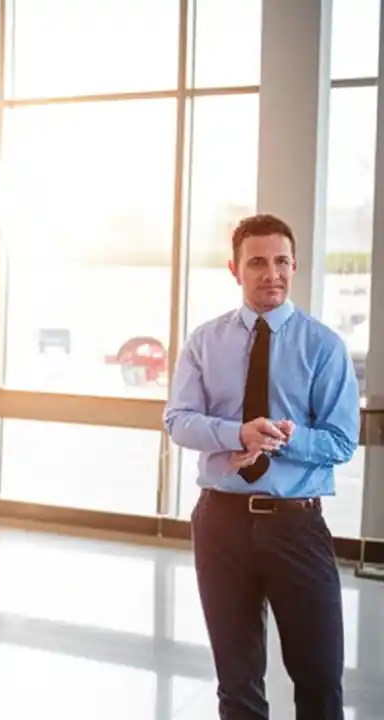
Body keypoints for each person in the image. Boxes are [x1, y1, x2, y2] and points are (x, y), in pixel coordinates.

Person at [164, 213, 360, 720]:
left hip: (296, 523)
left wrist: (283, 441)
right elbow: (178, 421)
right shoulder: (205, 342)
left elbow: (341, 442)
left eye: (281, 261)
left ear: (294, 265)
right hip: (220, 523)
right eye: (257, 262)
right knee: (236, 680)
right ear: (235, 269)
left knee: (319, 678)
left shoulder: (324, 347)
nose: (271, 273)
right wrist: (236, 434)